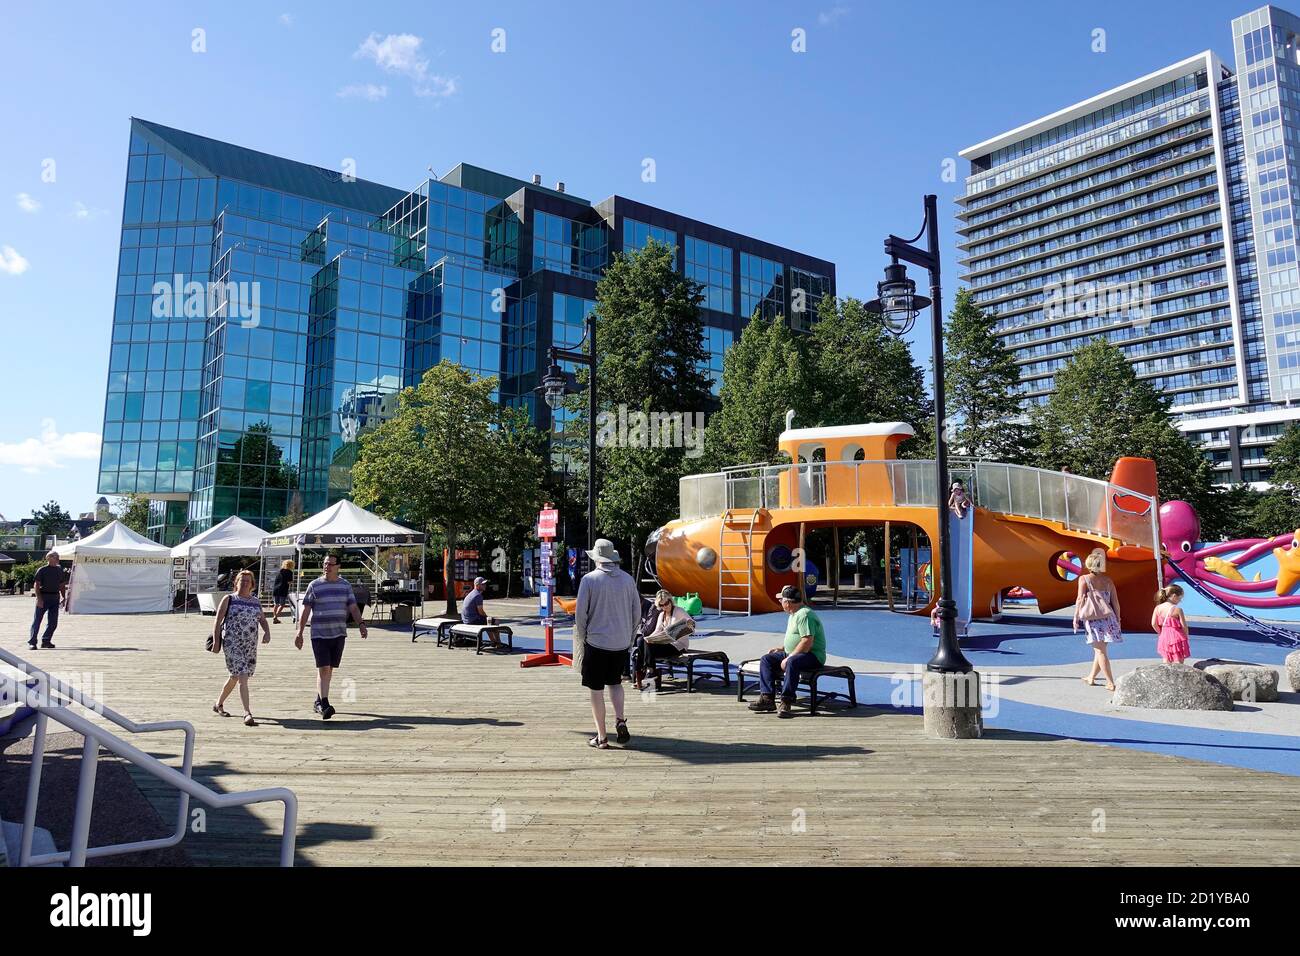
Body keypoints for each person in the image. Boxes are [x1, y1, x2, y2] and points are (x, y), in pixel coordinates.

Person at [574, 538, 641, 749]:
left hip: (597, 641)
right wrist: (629, 637)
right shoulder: (628, 579)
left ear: (596, 559)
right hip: (620, 642)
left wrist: (584, 637)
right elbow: (636, 612)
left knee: (596, 690)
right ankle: (620, 719)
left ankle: (602, 737)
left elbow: (580, 614)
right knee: (616, 683)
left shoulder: (589, 580)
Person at [295, 553, 368, 720]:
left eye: (330, 564)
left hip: (339, 633)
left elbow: (353, 608)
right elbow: (305, 610)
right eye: (325, 563)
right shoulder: (314, 585)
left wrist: (361, 624)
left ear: (338, 567)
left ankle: (318, 700)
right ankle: (325, 704)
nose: (326, 566)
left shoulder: (345, 586)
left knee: (329, 669)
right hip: (319, 633)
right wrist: (299, 632)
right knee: (324, 668)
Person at [749, 585, 827, 718]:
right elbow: (797, 639)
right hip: (798, 653)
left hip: (813, 656)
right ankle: (767, 698)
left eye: (781, 600)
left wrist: (789, 656)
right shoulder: (794, 614)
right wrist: (783, 649)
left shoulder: (805, 615)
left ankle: (786, 700)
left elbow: (807, 642)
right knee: (767, 659)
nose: (780, 603)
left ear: (788, 602)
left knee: (792, 662)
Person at [210, 569, 271, 726]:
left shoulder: (255, 601)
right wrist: (217, 641)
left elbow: (262, 619)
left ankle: (218, 704)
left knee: (235, 676)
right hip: (232, 643)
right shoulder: (229, 599)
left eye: (247, 581)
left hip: (249, 645)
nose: (244, 583)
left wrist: (267, 632)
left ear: (252, 584)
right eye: (241, 580)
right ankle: (247, 713)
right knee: (242, 676)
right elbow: (217, 621)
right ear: (235, 583)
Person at [1074, 548, 1122, 691]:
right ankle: (1091, 677)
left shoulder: (1084, 579)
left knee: (1100, 651)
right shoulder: (1108, 581)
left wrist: (1076, 617)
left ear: (1088, 564)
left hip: (1093, 619)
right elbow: (1116, 602)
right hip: (1108, 618)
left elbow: (1079, 599)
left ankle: (1110, 682)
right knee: (1100, 650)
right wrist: (1118, 618)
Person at [633, 589, 694, 689]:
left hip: (678, 646)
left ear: (670, 601)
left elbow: (692, 625)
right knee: (642, 641)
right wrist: (649, 638)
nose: (665, 606)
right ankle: (648, 672)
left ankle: (643, 675)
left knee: (646, 646)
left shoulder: (679, 611)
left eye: (667, 603)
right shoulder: (661, 615)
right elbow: (656, 631)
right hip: (665, 644)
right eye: (662, 605)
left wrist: (682, 628)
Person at [29, 551, 66, 650]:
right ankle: (32, 642)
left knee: (53, 622)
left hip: (55, 598)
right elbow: (36, 585)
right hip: (44, 597)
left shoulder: (59, 570)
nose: (58, 558)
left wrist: (63, 597)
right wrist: (39, 599)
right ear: (49, 558)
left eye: (58, 557)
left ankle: (46, 640)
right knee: (37, 621)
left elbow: (62, 585)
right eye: (56, 557)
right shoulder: (42, 570)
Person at [462, 575, 505, 650]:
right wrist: (487, 617)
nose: (485, 585)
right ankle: (498, 643)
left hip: (466, 620)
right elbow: (481, 612)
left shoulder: (471, 593)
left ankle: (493, 642)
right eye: (483, 584)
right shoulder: (478, 595)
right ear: (477, 585)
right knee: (494, 621)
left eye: (485, 584)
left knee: (488, 621)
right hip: (472, 620)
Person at [1152, 584, 1191, 665]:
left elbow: (1153, 624)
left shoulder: (1158, 608)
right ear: (1174, 596)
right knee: (1179, 660)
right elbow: (1184, 626)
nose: (1180, 601)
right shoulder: (1178, 609)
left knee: (1166, 659)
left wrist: (1160, 633)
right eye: (1180, 598)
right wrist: (1186, 636)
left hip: (1164, 636)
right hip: (1177, 637)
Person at [271, 559, 295, 625]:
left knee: (276, 604)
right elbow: (289, 582)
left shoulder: (280, 571)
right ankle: (275, 617)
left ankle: (275, 618)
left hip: (276, 589)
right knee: (282, 605)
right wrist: (292, 582)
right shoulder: (289, 572)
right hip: (283, 589)